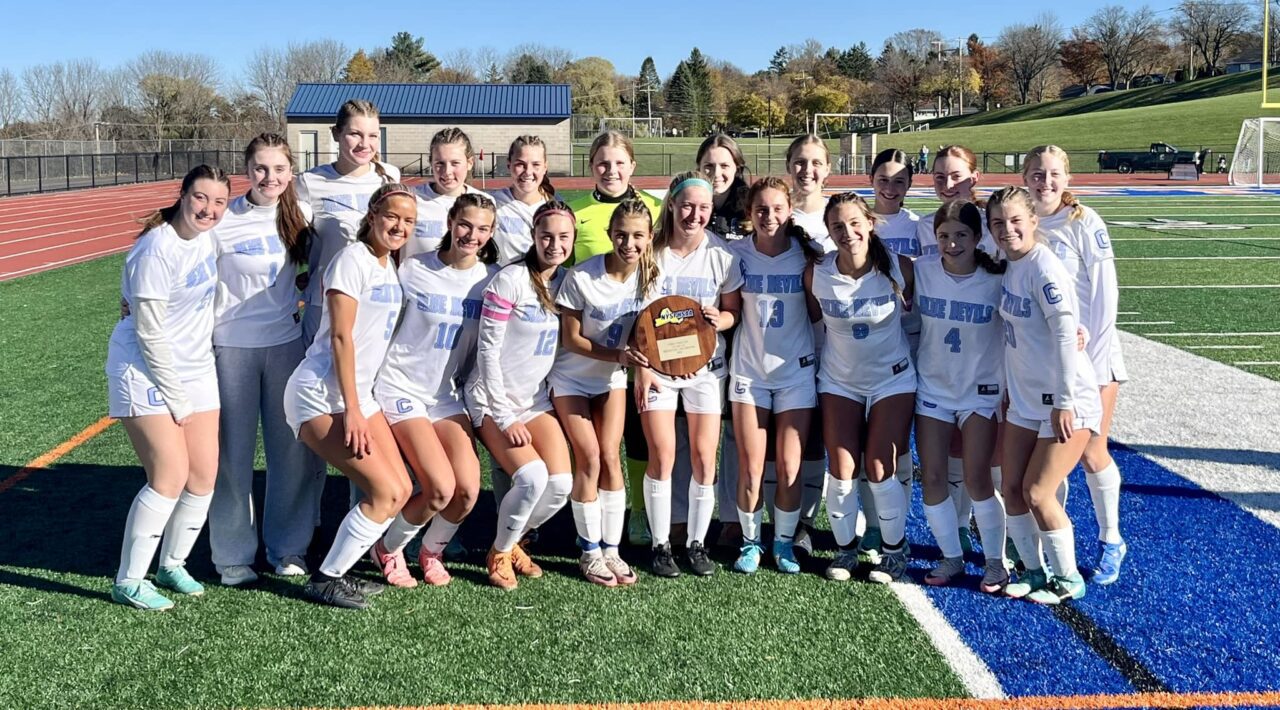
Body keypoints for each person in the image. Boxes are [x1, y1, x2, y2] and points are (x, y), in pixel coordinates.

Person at [283, 183, 415, 610]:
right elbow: (340, 337)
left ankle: (344, 568)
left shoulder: (385, 265)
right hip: (321, 394)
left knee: (400, 490)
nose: (400, 226)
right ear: (374, 214)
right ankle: (326, 578)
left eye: (409, 221)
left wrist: (361, 402)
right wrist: (353, 410)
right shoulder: (352, 260)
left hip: (358, 395)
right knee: (382, 493)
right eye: (392, 216)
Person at [107, 165, 231, 610]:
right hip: (144, 371)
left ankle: (171, 564)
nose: (209, 209)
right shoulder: (155, 250)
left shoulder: (209, 237)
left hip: (197, 369)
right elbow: (150, 335)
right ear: (182, 195)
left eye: (218, 202)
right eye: (200, 198)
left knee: (202, 477)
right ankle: (129, 580)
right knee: (169, 476)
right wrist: (177, 398)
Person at [367, 193, 499, 588]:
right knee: (440, 488)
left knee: (468, 491)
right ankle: (387, 549)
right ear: (450, 222)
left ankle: (431, 551)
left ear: (491, 233)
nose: (471, 235)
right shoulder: (412, 268)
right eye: (465, 224)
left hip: (445, 395)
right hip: (402, 385)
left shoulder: (490, 280)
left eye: (482, 229)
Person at [207, 134, 318, 587]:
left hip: (285, 345)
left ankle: (287, 547)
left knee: (289, 451)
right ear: (246, 171)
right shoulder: (223, 219)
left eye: (278, 169)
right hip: (230, 347)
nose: (269, 178)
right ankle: (232, 555)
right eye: (260, 169)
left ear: (290, 172)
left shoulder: (301, 216)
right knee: (231, 456)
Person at [987, 186, 1101, 605]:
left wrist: (1065, 400)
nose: (1007, 229)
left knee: (1038, 492)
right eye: (998, 222)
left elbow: (1064, 337)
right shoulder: (1009, 264)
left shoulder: (1043, 267)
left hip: (1064, 402)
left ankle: (1068, 578)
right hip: (1024, 400)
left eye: (1016, 220)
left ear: (1034, 221)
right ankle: (1033, 572)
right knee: (1012, 489)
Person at [1023, 145, 1128, 584]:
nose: (1045, 182)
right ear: (1024, 176)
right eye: (1037, 173)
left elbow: (1106, 297)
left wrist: (1096, 362)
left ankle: (1111, 539)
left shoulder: (1084, 222)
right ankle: (1052, 537)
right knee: (1047, 454)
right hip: (1042, 361)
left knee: (1089, 449)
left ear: (1067, 178)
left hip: (1091, 358)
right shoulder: (1021, 222)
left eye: (1053, 174)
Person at [634, 173, 743, 577]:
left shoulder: (722, 255)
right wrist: (642, 368)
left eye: (703, 208)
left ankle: (698, 544)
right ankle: (661, 544)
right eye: (687, 206)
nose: (694, 215)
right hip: (657, 369)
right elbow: (638, 317)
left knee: (703, 458)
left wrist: (722, 318)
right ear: (672, 207)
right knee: (662, 454)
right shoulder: (652, 252)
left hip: (705, 370)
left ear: (711, 211)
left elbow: (733, 312)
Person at [805, 192, 916, 584]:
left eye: (854, 222)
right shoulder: (816, 272)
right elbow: (814, 321)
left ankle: (893, 550)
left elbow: (922, 317)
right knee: (842, 470)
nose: (847, 232)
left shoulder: (901, 268)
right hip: (839, 380)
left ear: (870, 222)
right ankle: (845, 549)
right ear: (829, 231)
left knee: (879, 465)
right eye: (837, 226)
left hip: (893, 379)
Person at [468, 201, 577, 590]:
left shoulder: (567, 280)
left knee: (561, 485)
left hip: (534, 401)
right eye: (546, 235)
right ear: (533, 235)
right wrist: (503, 415)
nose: (554, 244)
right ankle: (499, 553)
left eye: (563, 237)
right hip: (491, 400)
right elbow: (487, 353)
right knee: (532, 478)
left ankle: (510, 541)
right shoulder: (510, 280)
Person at [567, 130, 662, 545]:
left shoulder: (657, 209)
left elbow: (662, 271)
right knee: (590, 450)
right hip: (587, 346)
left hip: (637, 347)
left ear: (632, 166)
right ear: (591, 167)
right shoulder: (573, 210)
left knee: (637, 437)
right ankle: (587, 528)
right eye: (603, 163)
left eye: (620, 162)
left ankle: (638, 514)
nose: (612, 170)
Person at [553, 198, 654, 586]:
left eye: (638, 236)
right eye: (622, 235)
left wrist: (647, 369)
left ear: (649, 238)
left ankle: (611, 549)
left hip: (611, 378)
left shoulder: (650, 275)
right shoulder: (582, 277)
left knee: (612, 457)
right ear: (610, 234)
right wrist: (617, 354)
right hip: (572, 378)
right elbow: (572, 339)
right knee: (590, 457)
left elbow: (651, 332)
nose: (629, 243)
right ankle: (589, 551)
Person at [728, 176, 823, 575]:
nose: (769, 216)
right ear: (749, 213)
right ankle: (751, 542)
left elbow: (820, 315)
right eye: (761, 209)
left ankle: (782, 542)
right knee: (750, 467)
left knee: (788, 466)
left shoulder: (808, 257)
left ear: (790, 211)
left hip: (795, 373)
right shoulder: (735, 255)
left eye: (777, 209)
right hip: (749, 373)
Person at [913, 201, 1008, 590]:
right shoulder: (920, 271)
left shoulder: (998, 278)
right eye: (943, 236)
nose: (951, 244)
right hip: (934, 387)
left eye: (961, 235)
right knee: (933, 477)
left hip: (980, 392)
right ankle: (951, 557)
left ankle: (996, 562)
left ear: (978, 236)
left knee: (977, 477)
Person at [296, 99, 400, 347]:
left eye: (373, 135)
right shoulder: (309, 182)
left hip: (376, 299)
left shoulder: (389, 177)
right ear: (336, 133)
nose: (365, 144)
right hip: (325, 302)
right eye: (355, 134)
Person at [695, 136, 751, 547]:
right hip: (698, 334)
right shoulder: (687, 206)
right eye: (709, 166)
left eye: (724, 166)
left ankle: (733, 515)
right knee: (694, 428)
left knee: (734, 430)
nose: (716, 174)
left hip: (750, 331)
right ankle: (687, 514)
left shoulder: (752, 209)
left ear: (737, 168)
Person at [404, 127, 486, 260]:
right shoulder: (411, 199)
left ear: (470, 163)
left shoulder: (485, 203)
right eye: (440, 163)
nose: (447, 171)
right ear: (431, 162)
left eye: (455, 163)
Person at [915, 145, 996, 258]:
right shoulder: (925, 225)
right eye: (940, 177)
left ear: (973, 178)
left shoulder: (992, 224)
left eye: (956, 176)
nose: (948, 185)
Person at [491, 135, 555, 266]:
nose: (528, 172)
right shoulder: (493, 203)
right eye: (520, 164)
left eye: (536, 164)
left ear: (545, 167)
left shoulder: (554, 209)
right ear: (509, 165)